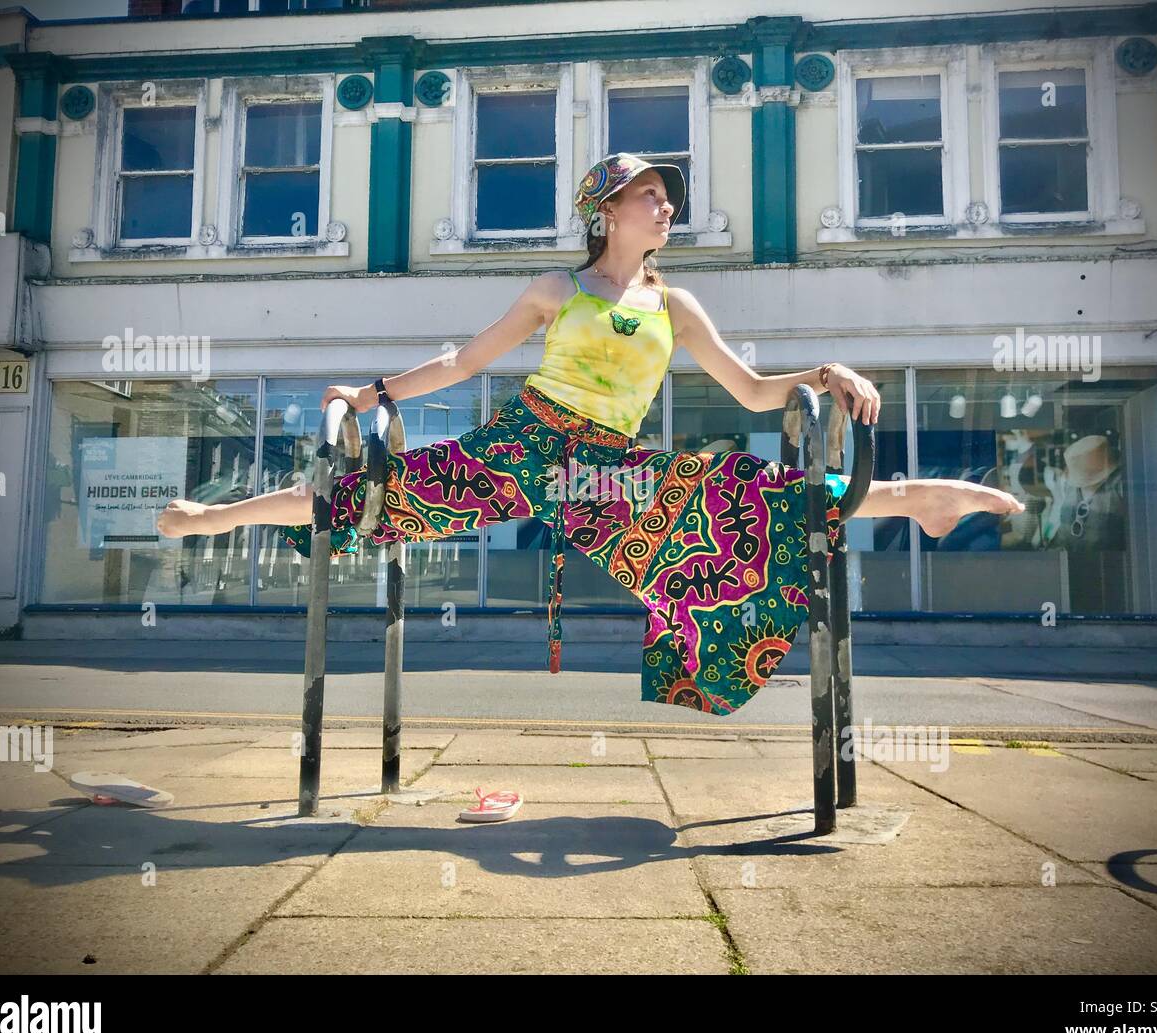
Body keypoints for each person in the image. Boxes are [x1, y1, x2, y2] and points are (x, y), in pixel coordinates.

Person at [156, 152, 1023, 715]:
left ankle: (919, 500)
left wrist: (824, 373)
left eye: (669, 200)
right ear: (609, 210)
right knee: (364, 499)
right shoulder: (553, 289)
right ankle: (209, 519)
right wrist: (374, 390)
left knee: (739, 502)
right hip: (519, 447)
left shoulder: (674, 305)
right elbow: (463, 364)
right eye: (652, 196)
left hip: (602, 471)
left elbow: (757, 394)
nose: (667, 209)